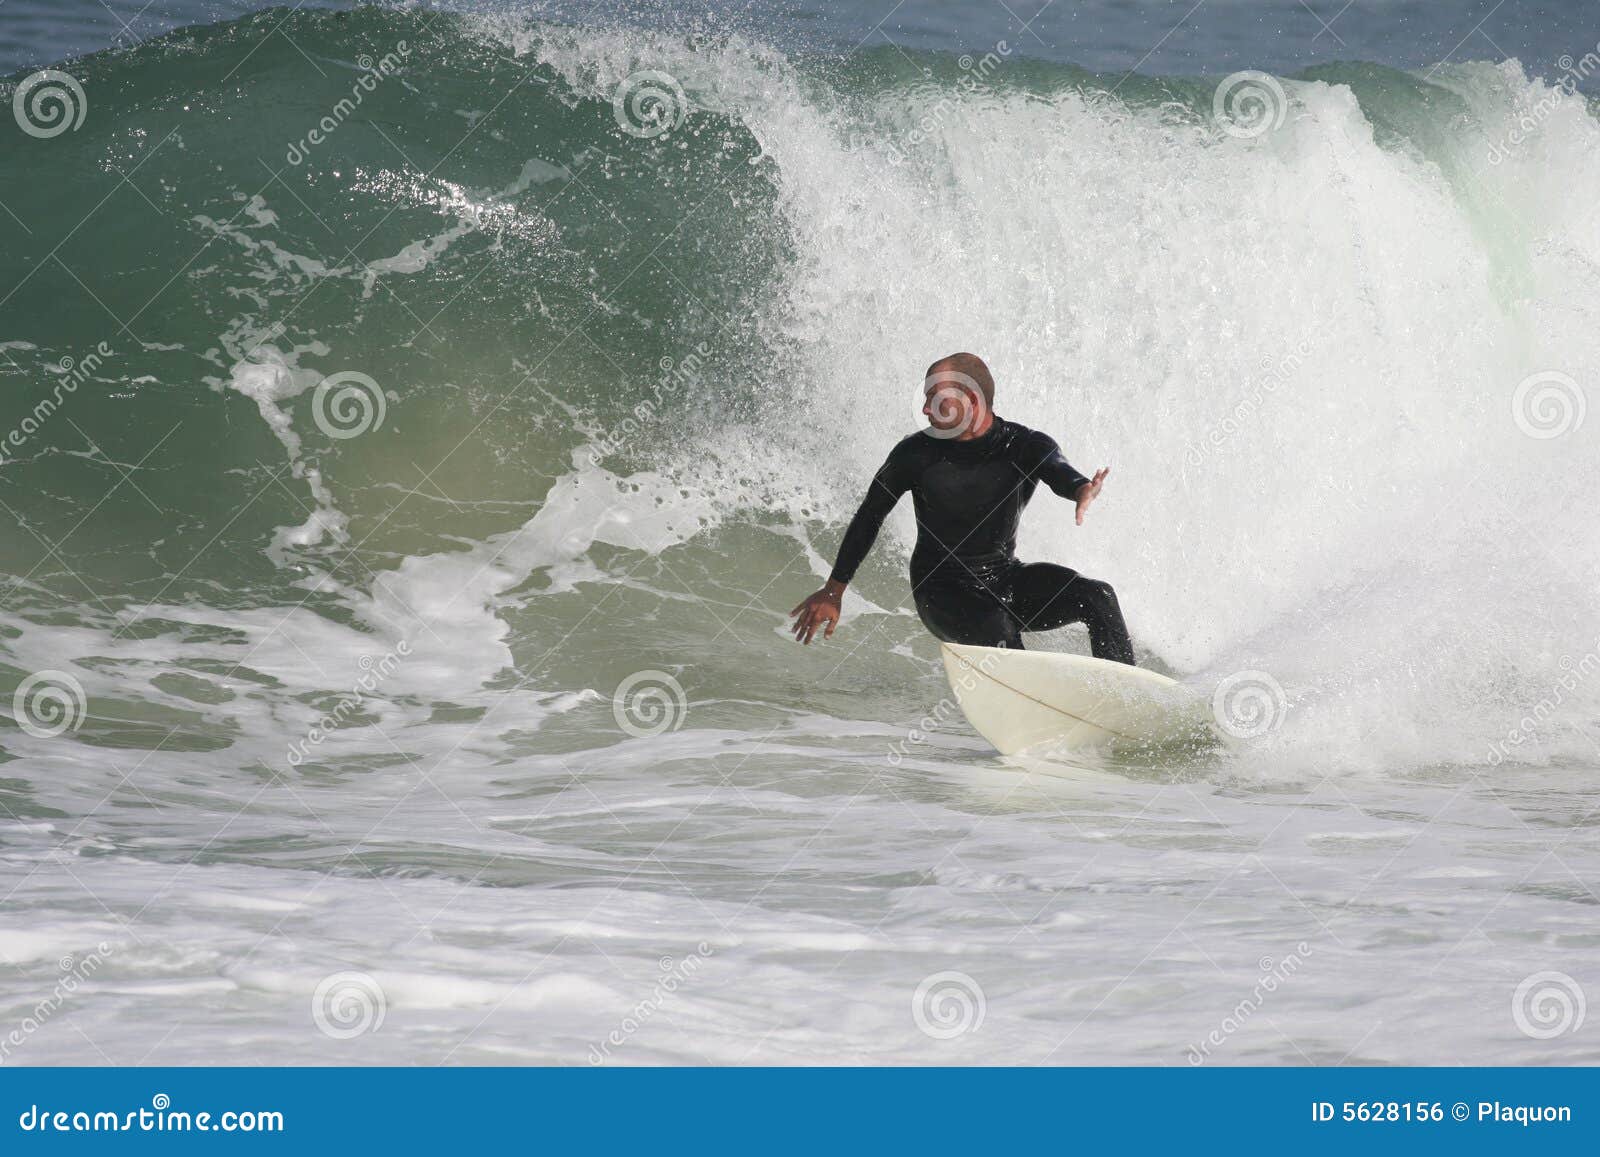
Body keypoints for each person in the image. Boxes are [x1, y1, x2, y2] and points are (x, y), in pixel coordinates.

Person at [788, 352, 1136, 664]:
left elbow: (1059, 471)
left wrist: (1081, 490)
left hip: (1004, 580)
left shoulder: (1023, 445)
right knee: (997, 630)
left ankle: (1121, 701)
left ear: (970, 399)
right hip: (941, 592)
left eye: (934, 398)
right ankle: (1029, 716)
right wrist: (834, 591)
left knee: (1097, 596)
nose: (925, 409)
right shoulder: (915, 454)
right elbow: (870, 516)